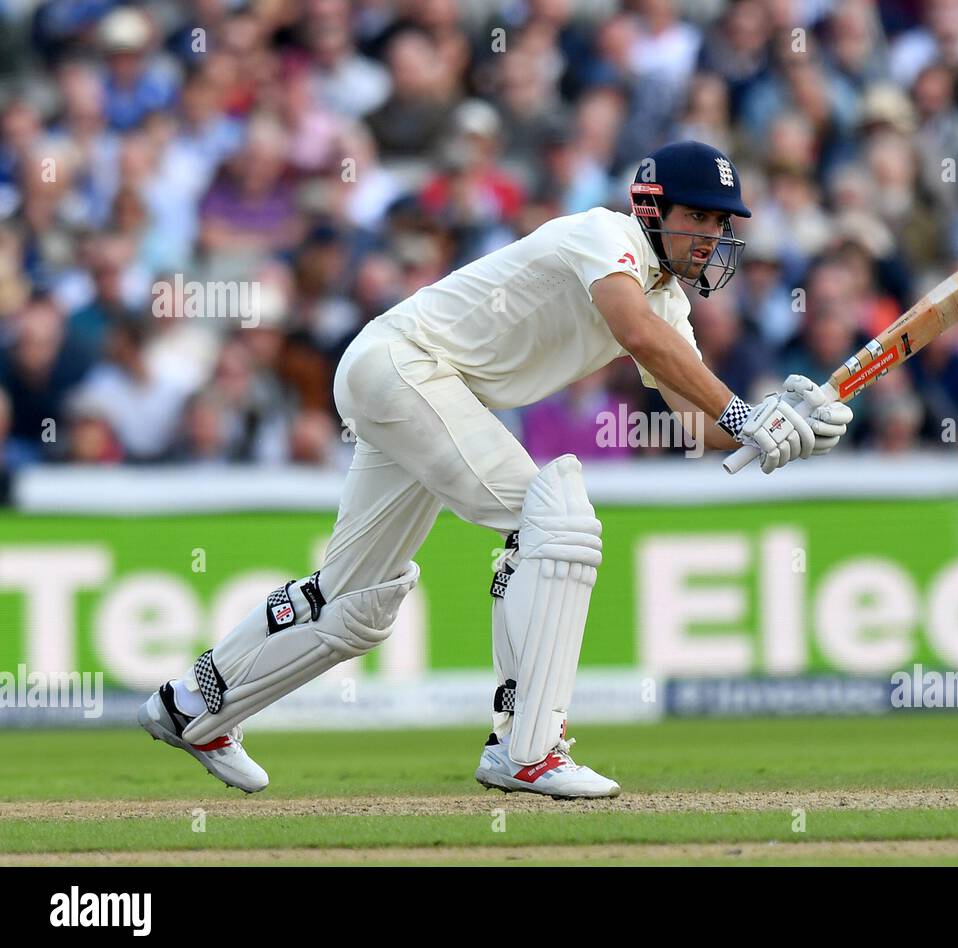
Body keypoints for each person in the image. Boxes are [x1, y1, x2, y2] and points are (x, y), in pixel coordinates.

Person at [138, 141, 852, 798]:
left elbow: (690, 406)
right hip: (406, 367)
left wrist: (785, 425)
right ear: (651, 207)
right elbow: (639, 336)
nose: (711, 233)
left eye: (721, 220)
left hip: (417, 385)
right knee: (556, 517)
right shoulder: (607, 239)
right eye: (697, 215)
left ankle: (192, 705)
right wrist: (741, 416)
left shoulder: (667, 300)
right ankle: (526, 747)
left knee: (357, 602)